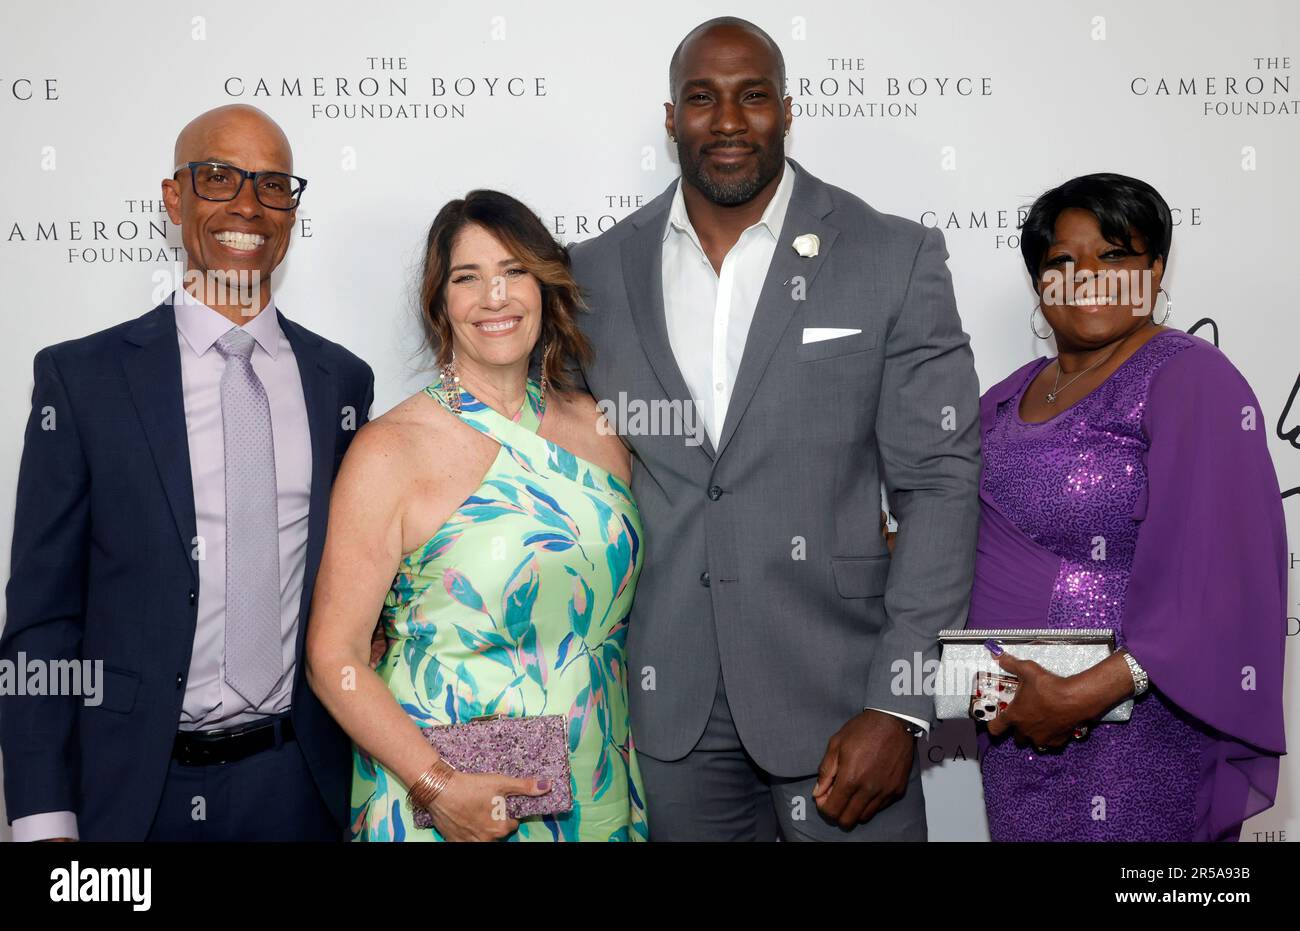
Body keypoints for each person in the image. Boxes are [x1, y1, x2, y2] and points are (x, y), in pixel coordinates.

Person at [568, 17, 981, 840]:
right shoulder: (593, 272)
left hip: (846, 701)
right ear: (670, 117)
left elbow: (939, 483)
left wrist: (900, 704)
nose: (727, 121)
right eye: (701, 99)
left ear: (788, 111)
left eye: (752, 96)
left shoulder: (891, 255)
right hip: (664, 713)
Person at [0, 104, 375, 841]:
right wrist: (44, 821)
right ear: (174, 199)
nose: (247, 204)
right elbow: (42, 622)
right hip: (133, 797)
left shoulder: (342, 383)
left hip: (301, 788)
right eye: (218, 177)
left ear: (292, 211)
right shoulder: (83, 380)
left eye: (272, 185)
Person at [306, 189, 648, 841]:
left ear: (544, 287)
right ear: (440, 302)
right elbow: (333, 654)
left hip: (595, 778)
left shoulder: (600, 429)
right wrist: (440, 785)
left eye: (514, 271)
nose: (496, 296)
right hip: (439, 797)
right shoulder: (390, 449)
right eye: (469, 277)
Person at [966, 172, 1287, 841]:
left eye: (1114, 256)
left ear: (1156, 269)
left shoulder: (1189, 376)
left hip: (1134, 729)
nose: (1086, 275)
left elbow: (1225, 576)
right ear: (1039, 283)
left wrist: (1084, 692)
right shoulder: (1005, 396)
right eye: (1061, 260)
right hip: (1016, 729)